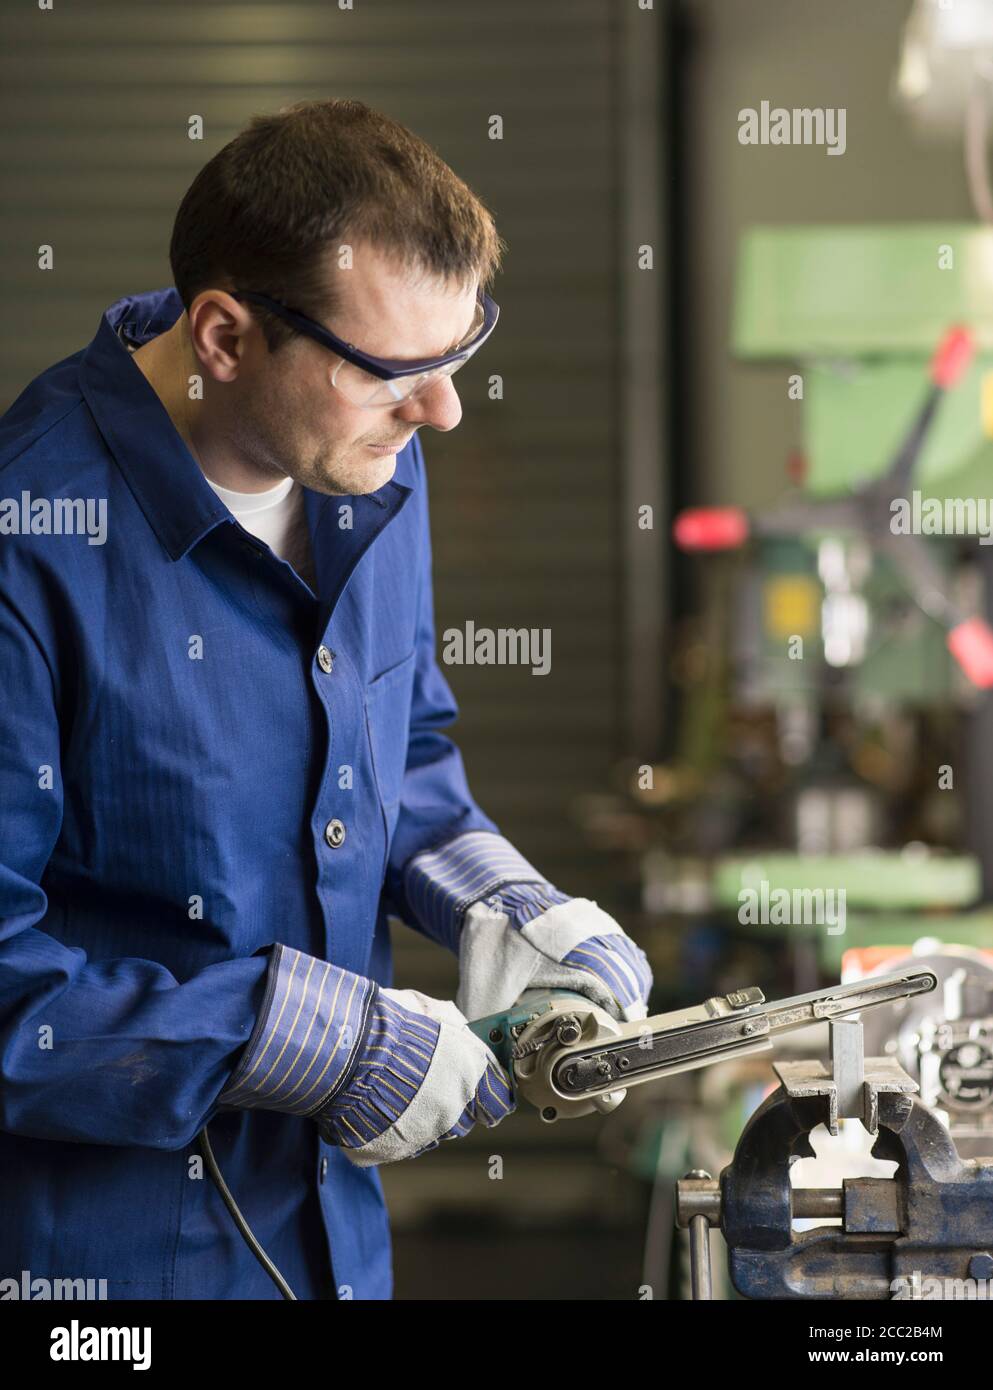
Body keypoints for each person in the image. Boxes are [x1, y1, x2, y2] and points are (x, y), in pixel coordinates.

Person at [0, 98, 652, 1301]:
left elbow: (394, 761)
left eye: (460, 356)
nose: (441, 411)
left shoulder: (365, 466)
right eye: (396, 370)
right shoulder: (30, 544)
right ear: (226, 337)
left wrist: (505, 905)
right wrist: (315, 1037)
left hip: (332, 1245)